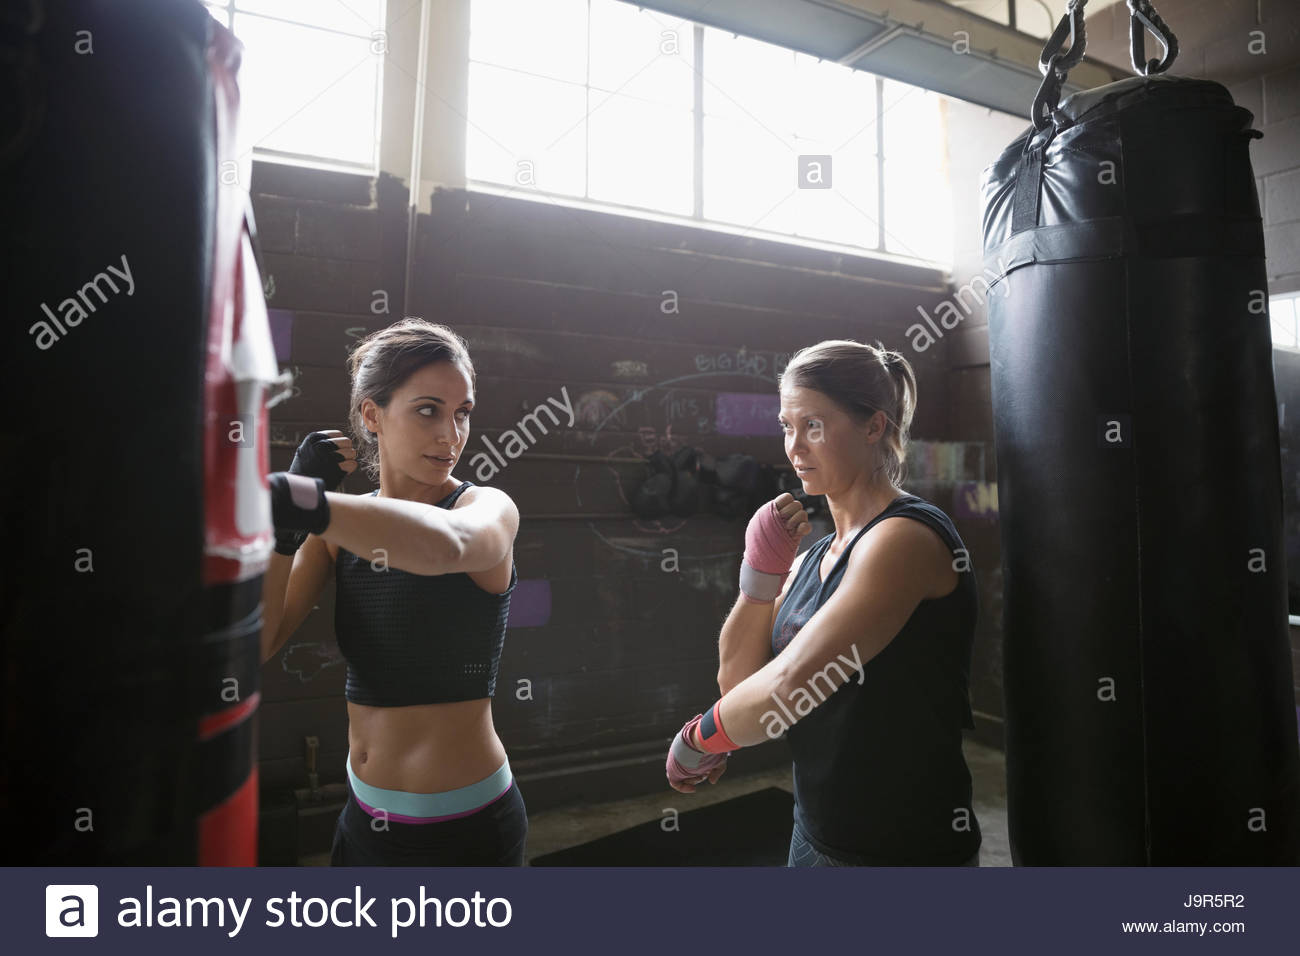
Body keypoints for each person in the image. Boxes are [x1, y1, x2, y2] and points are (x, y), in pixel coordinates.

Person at [665, 339, 982, 866]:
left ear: (874, 426)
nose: (794, 446)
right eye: (787, 426)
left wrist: (701, 738)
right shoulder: (813, 556)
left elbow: (788, 688)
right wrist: (759, 577)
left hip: (906, 853)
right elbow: (739, 686)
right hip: (815, 836)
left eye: (814, 424)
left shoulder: (903, 539)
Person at [262, 318, 526, 865]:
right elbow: (257, 645)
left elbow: (446, 546)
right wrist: (286, 535)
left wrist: (307, 503)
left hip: (465, 831)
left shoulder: (486, 508)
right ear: (371, 414)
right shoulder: (339, 533)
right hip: (362, 819)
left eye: (463, 413)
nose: (450, 435)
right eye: (428, 409)